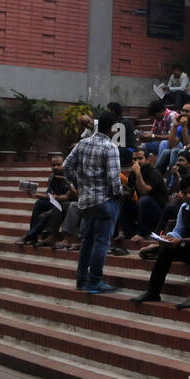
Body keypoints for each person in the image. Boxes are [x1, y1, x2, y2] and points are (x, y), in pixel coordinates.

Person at [131, 175, 190, 308]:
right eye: (184, 193)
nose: (188, 196)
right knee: (166, 249)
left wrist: (180, 240)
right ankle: (153, 292)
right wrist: (169, 237)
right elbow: (178, 230)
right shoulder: (184, 208)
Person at [63, 109, 123, 294]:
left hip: (86, 200)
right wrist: (119, 194)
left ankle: (81, 280)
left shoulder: (82, 143)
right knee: (101, 242)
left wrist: (79, 183)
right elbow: (114, 180)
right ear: (113, 128)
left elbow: (66, 166)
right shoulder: (110, 148)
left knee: (87, 241)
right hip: (104, 200)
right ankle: (95, 281)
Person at [16, 153, 77, 246]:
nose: (56, 167)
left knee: (49, 213)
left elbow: (67, 197)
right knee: (39, 203)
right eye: (53, 165)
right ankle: (33, 238)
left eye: (59, 165)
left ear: (64, 164)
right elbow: (49, 194)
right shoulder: (52, 177)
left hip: (68, 203)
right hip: (56, 201)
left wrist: (55, 195)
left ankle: (29, 236)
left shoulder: (70, 175)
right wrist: (35, 194)